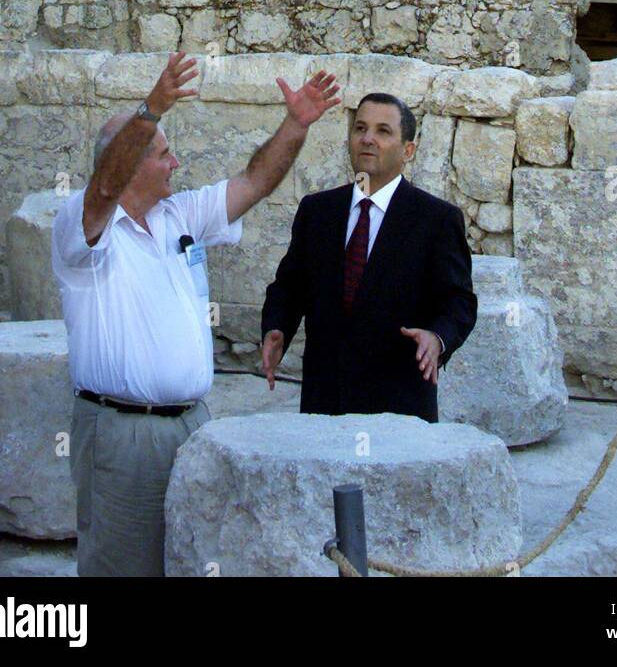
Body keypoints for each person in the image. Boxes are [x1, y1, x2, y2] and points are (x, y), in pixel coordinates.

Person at [52, 51, 341, 576]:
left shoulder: (177, 215)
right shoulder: (83, 230)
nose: (175, 163)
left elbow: (254, 181)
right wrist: (152, 108)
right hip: (123, 433)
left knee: (193, 557)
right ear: (129, 162)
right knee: (124, 566)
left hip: (192, 424)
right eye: (162, 153)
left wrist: (295, 126)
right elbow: (102, 188)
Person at [260, 92, 477, 422]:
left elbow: (458, 301)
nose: (367, 139)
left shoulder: (436, 219)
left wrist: (437, 338)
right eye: (360, 128)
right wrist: (277, 327)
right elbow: (290, 286)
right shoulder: (317, 211)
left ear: (408, 150)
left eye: (383, 131)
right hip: (324, 402)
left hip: (398, 406)